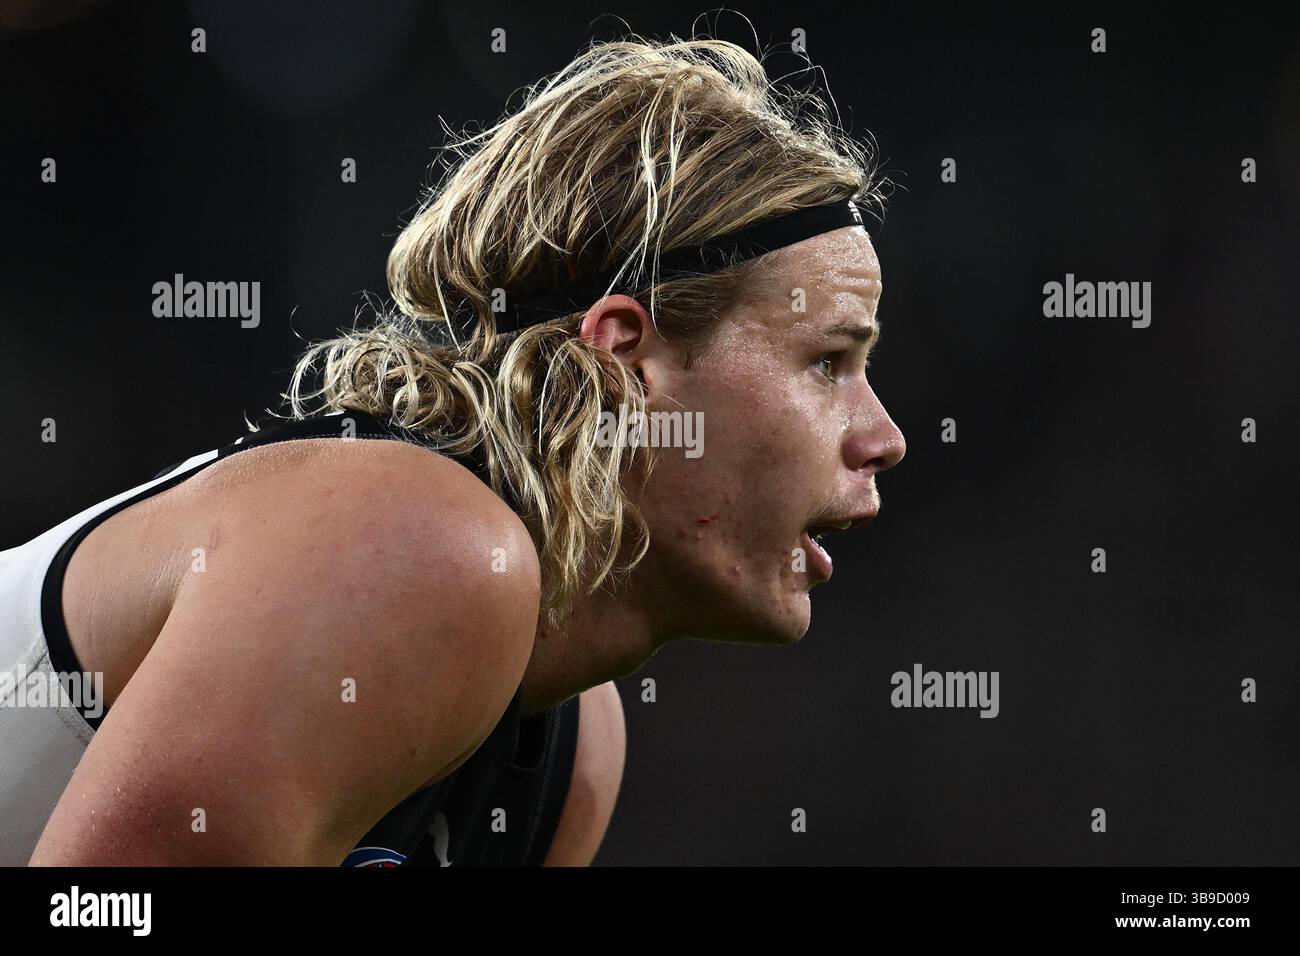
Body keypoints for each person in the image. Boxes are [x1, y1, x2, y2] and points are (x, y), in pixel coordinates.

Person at [1, 35, 905, 866]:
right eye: (828, 360)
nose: (885, 437)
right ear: (628, 356)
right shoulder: (422, 546)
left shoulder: (572, 746)